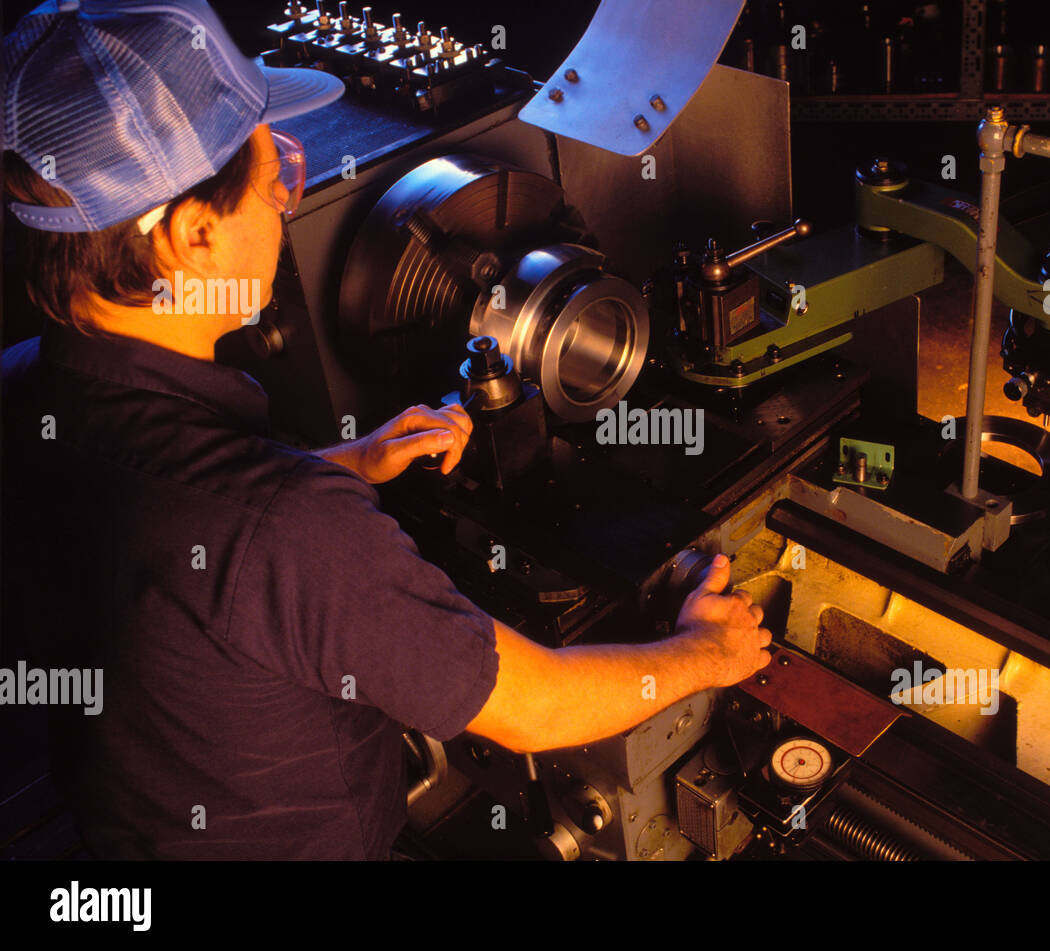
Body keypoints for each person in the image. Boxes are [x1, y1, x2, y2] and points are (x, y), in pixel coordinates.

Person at [1, 0, 771, 859]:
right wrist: (703, 651)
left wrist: (345, 463)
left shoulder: (25, 383)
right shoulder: (288, 527)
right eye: (274, 181)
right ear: (191, 235)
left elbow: (183, 534)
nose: (288, 202)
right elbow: (538, 706)